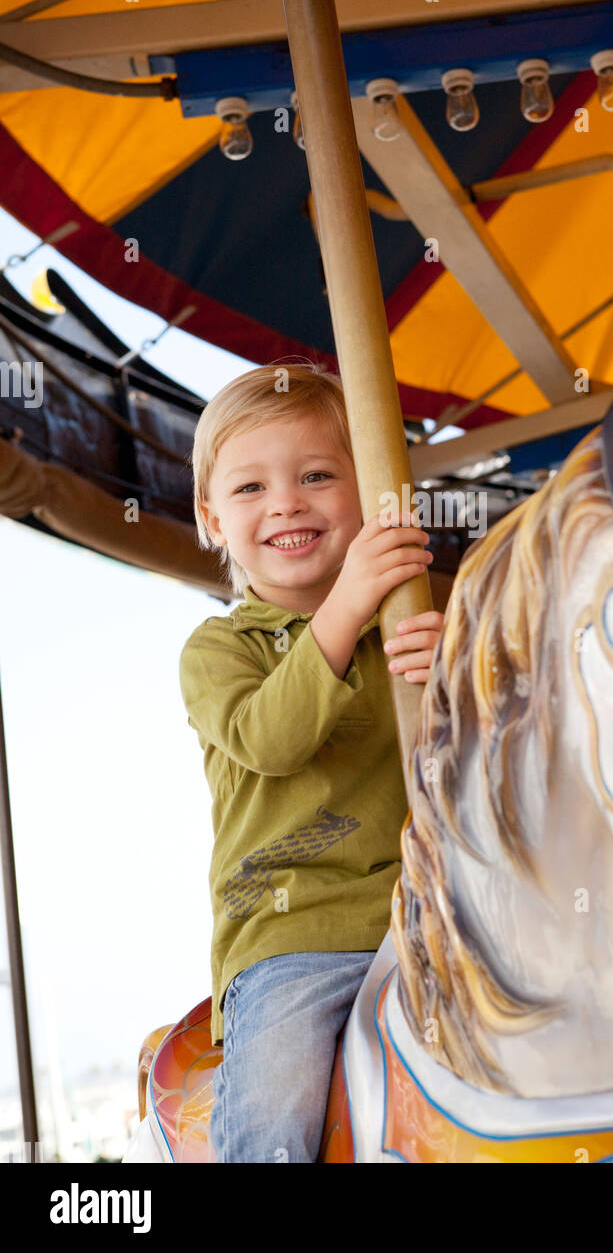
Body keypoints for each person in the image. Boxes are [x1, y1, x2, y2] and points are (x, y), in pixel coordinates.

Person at [179, 361, 444, 1162]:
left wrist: (465, 670)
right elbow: (271, 738)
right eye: (250, 488)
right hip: (298, 936)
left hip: (437, 911)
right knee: (278, 1105)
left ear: (369, 493)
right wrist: (351, 602)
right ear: (213, 518)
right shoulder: (220, 648)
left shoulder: (407, 627)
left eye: (318, 475)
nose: (287, 502)